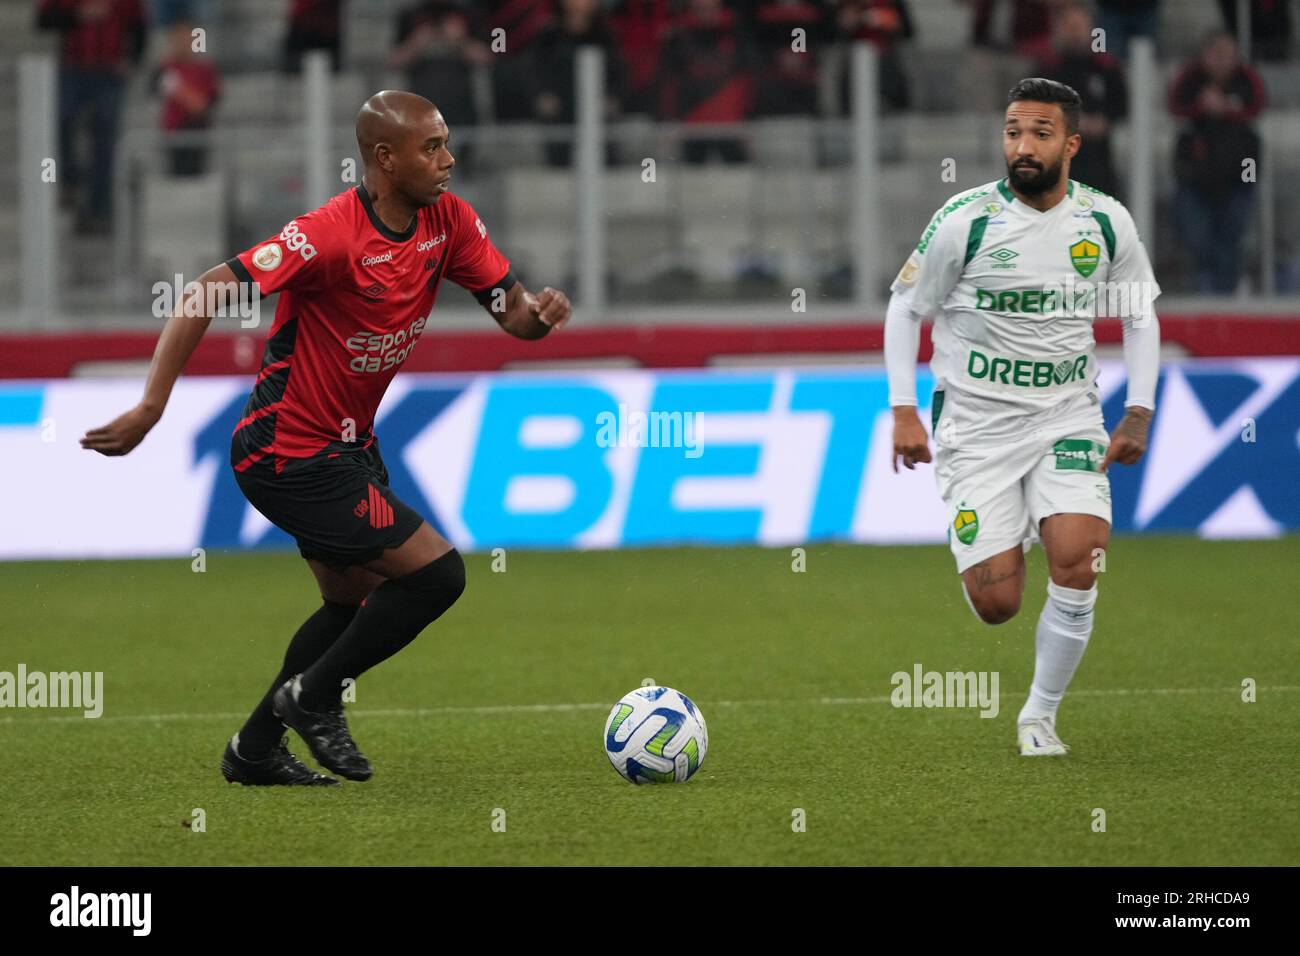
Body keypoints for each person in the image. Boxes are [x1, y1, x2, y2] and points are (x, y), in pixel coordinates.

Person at [80, 91, 573, 786]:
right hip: (286, 452)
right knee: (438, 575)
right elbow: (203, 292)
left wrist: (539, 316)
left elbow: (513, 318)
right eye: (430, 147)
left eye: (445, 142)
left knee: (349, 606)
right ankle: (312, 698)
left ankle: (253, 751)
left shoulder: (451, 222)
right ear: (383, 158)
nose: (448, 158)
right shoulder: (329, 235)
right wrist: (153, 405)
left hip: (346, 450)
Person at [884, 78, 1161, 757]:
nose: (1022, 146)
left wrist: (1138, 413)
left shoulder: (1105, 222)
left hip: (1066, 417)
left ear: (1071, 142)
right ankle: (1010, 529)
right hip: (977, 430)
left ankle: (1039, 716)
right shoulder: (965, 220)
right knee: (998, 603)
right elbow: (905, 309)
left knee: (1080, 560)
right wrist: (903, 411)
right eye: (1012, 132)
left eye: (1039, 133)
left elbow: (1138, 316)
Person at [36, 0, 147, 234]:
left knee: (105, 138)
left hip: (109, 71)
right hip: (73, 68)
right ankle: (70, 180)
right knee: (61, 120)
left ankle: (99, 208)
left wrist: (133, 60)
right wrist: (78, 15)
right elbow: (43, 20)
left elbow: (139, 25)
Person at [1169, 30, 1266, 294]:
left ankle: (1229, 292)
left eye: (1227, 55)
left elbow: (1257, 105)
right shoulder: (1191, 79)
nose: (1221, 61)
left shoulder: (1246, 79)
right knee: (1199, 240)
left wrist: (1226, 108)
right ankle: (1206, 290)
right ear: (1204, 56)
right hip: (1195, 179)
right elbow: (1176, 105)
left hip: (1240, 177)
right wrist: (1203, 107)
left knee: (1232, 238)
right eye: (1216, 54)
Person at [1035, 1, 1127, 199]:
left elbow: (1121, 105)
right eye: (1070, 27)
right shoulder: (1047, 70)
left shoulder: (1106, 67)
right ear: (1059, 29)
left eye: (1080, 26)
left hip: (1099, 165)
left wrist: (1105, 121)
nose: (1075, 33)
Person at [154, 18, 221, 177]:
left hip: (199, 131)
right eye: (179, 38)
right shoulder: (165, 68)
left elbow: (211, 98)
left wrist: (197, 103)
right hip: (174, 132)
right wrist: (189, 98)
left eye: (187, 37)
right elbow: (158, 85)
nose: (183, 42)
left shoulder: (204, 68)